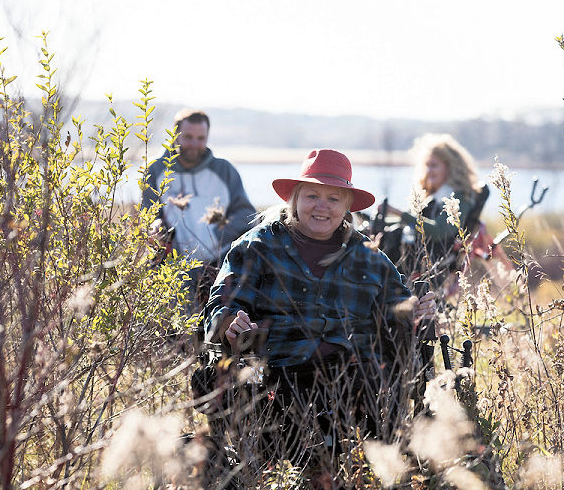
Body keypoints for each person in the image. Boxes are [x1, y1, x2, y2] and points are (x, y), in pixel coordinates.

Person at [202, 148, 436, 485]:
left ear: (346, 207)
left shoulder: (368, 256)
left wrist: (418, 312)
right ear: (294, 199)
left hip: (353, 387)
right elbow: (221, 304)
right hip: (277, 381)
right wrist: (229, 321)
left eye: (333, 198)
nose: (321, 206)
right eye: (312, 195)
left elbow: (401, 311)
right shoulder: (256, 247)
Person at [141, 109, 255, 299]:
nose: (194, 144)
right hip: (171, 271)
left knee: (212, 327)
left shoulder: (224, 170)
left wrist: (216, 238)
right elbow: (148, 214)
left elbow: (246, 215)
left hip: (217, 270)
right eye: (188, 137)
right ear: (175, 135)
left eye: (201, 138)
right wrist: (156, 228)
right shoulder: (156, 170)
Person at [383, 133, 512, 291]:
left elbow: (439, 231)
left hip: (429, 264)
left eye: (434, 165)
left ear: (450, 167)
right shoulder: (431, 195)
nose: (429, 171)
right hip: (409, 256)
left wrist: (399, 213)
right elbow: (407, 223)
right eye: (427, 165)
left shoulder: (459, 196)